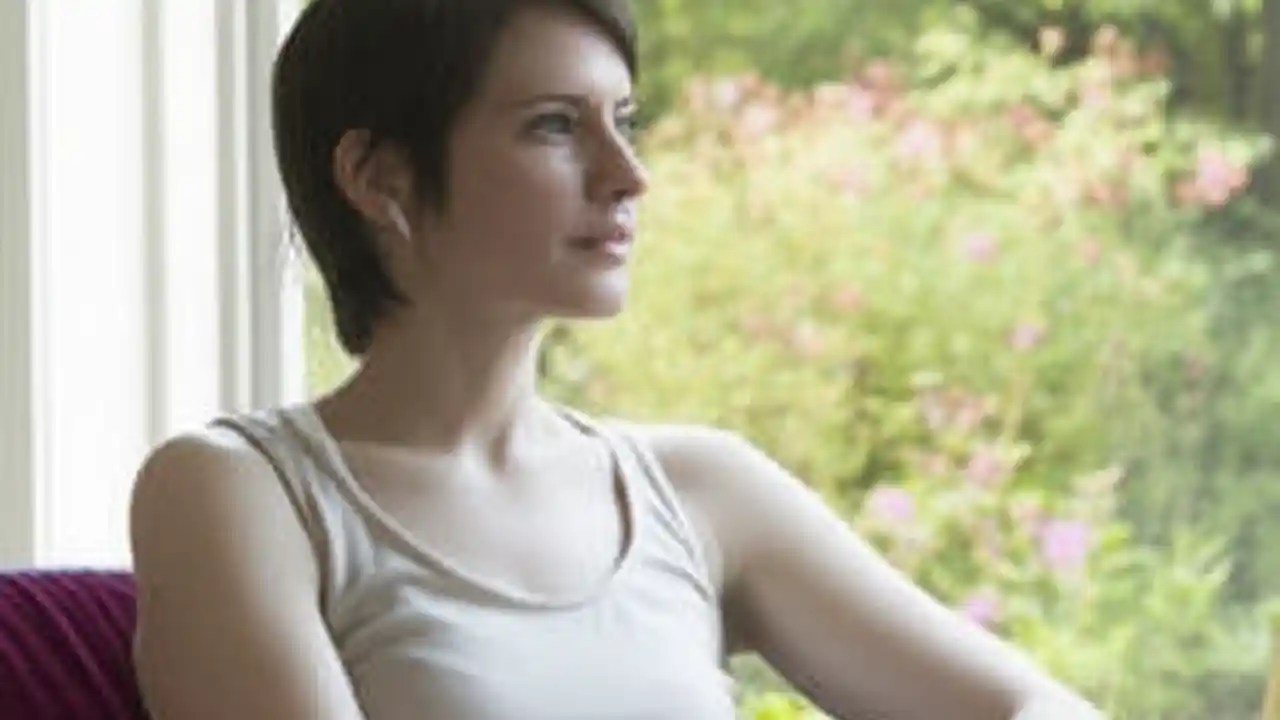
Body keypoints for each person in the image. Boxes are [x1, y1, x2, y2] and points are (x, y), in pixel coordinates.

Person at [127, 1, 1105, 718]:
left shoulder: (697, 487)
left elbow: (1026, 707)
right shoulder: (235, 494)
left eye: (623, 121)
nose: (626, 175)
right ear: (377, 176)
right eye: (554, 126)